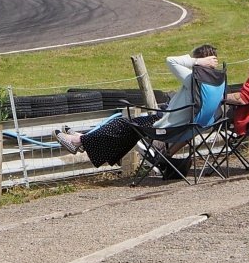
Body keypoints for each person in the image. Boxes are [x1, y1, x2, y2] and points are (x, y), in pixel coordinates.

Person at [56, 44, 226, 179]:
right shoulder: (218, 82)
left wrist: (196, 63)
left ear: (201, 62)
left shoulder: (193, 78)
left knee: (123, 123)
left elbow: (171, 60)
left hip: (172, 126)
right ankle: (82, 140)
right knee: (130, 130)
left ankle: (79, 140)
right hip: (188, 126)